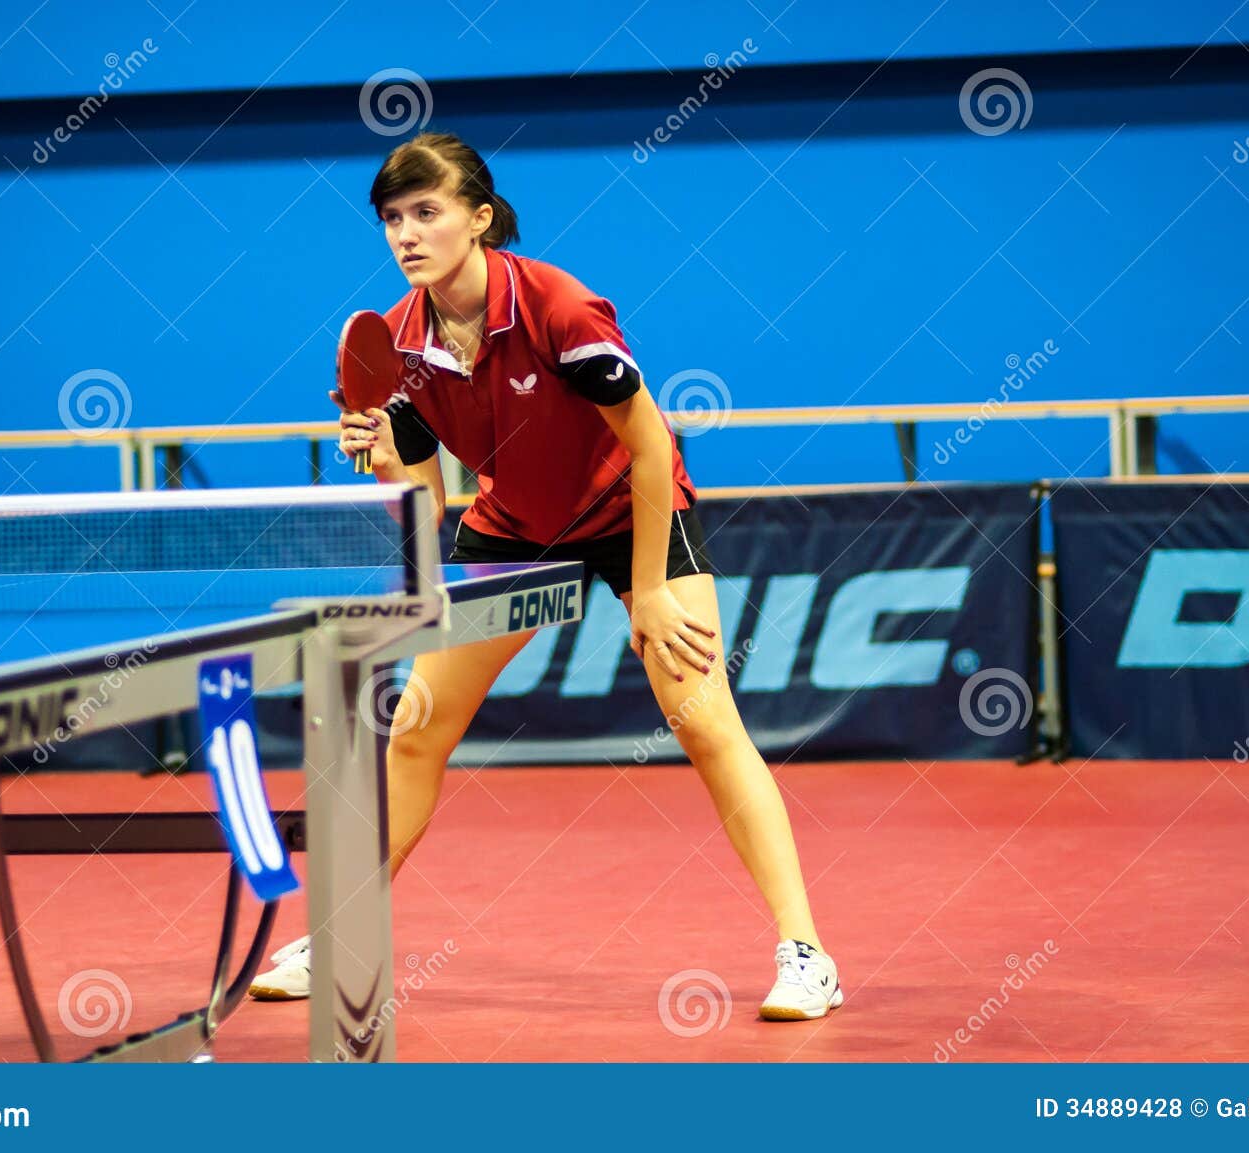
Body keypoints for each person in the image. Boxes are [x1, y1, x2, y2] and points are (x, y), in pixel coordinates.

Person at [251, 132, 841, 1021]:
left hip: (629, 513)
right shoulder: (400, 338)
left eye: (426, 212)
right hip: (512, 527)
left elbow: (648, 443)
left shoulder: (558, 307)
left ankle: (807, 954)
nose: (406, 234)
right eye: (391, 219)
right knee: (414, 728)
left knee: (705, 721)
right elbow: (424, 496)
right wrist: (380, 454)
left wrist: (645, 588)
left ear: (480, 218)